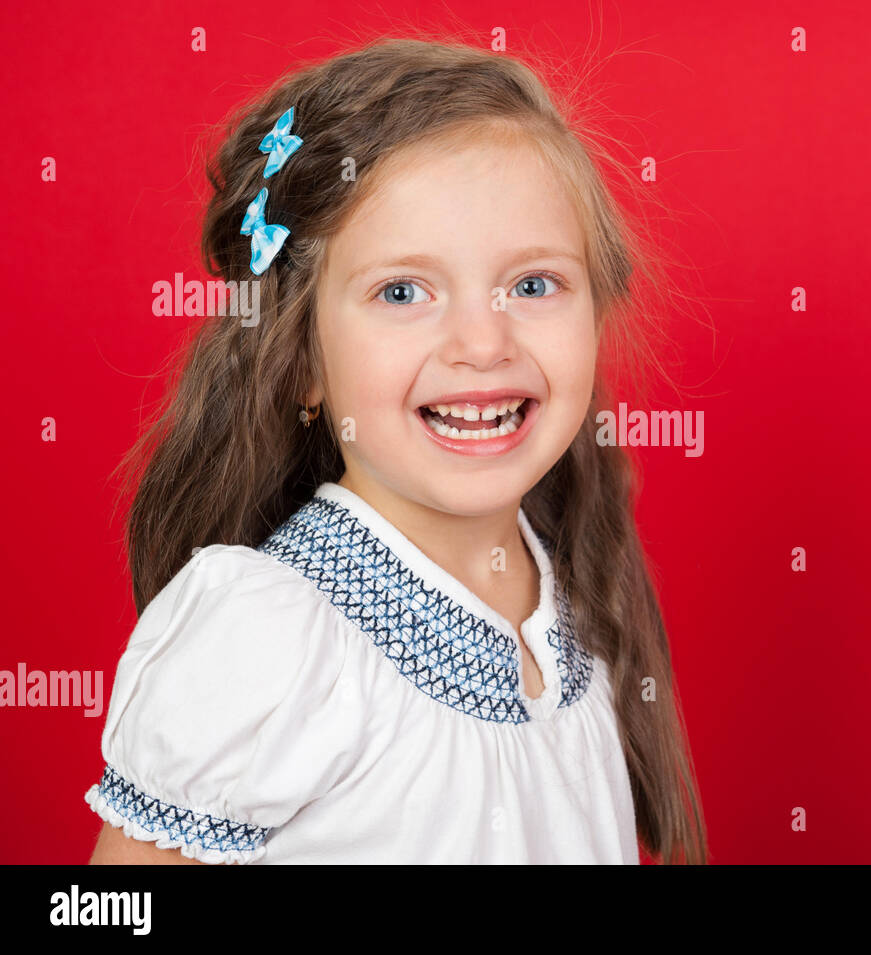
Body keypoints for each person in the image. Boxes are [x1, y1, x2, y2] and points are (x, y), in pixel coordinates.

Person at [84, 36, 707, 864]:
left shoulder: (579, 596)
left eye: (532, 285)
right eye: (402, 291)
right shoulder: (269, 635)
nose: (483, 343)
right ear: (300, 358)